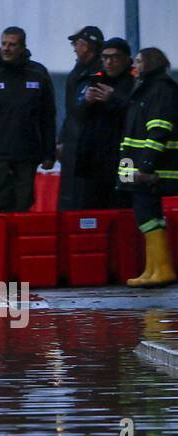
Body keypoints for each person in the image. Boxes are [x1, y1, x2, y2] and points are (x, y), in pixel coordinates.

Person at [0, 27, 57, 212]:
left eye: (12, 44)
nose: (6, 48)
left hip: (27, 153)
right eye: (3, 44)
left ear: (23, 47)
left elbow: (48, 116)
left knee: (23, 203)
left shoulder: (38, 74)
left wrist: (49, 153)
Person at [118, 47, 178, 287]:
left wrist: (145, 166)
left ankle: (161, 269)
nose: (136, 65)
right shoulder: (145, 90)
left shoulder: (159, 90)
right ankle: (154, 269)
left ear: (151, 63)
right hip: (139, 166)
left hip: (150, 169)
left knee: (147, 216)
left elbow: (159, 130)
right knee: (149, 218)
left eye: (140, 61)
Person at [71, 38, 135, 210]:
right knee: (92, 206)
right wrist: (85, 101)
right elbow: (75, 115)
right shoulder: (94, 79)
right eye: (105, 57)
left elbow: (138, 115)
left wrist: (113, 99)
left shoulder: (135, 82)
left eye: (115, 57)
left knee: (125, 202)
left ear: (127, 59)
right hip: (95, 157)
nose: (109, 62)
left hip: (127, 158)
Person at [57, 25, 104, 209]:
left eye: (76, 43)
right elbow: (70, 111)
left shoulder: (101, 73)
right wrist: (62, 140)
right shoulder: (76, 74)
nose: (74, 48)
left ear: (86, 46)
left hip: (94, 148)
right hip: (74, 146)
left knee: (89, 198)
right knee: (71, 198)